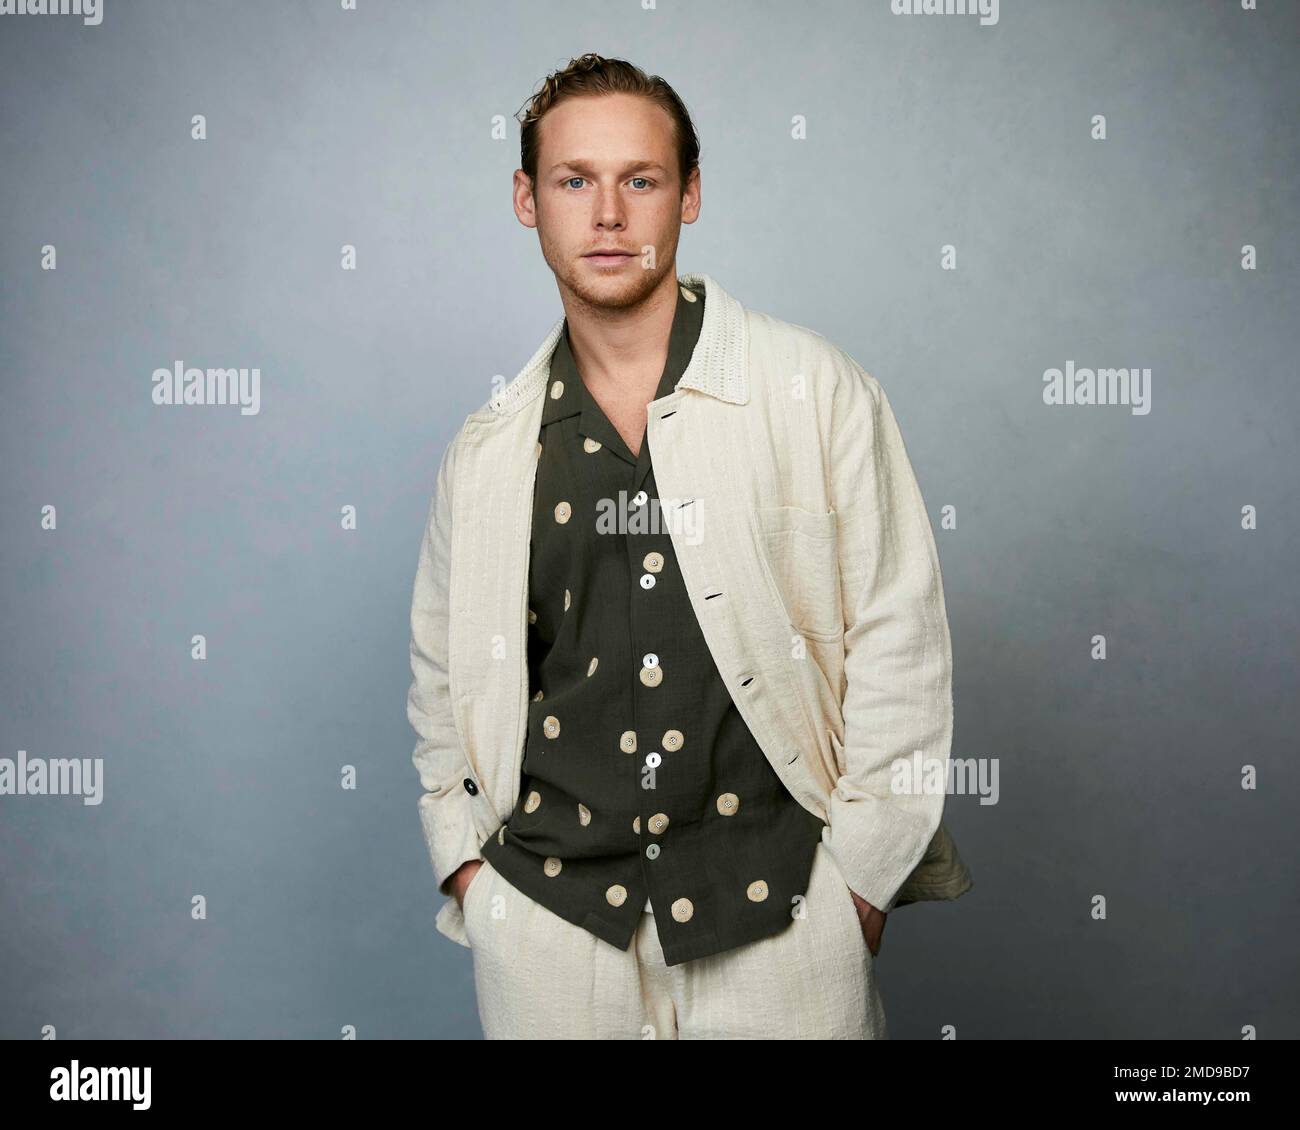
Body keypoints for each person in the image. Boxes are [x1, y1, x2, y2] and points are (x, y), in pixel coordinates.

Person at [406, 52, 972, 1040]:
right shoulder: (487, 448)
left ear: (690, 194)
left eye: (642, 179)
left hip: (785, 916)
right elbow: (440, 670)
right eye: (574, 180)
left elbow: (899, 637)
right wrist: (468, 869)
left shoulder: (816, 390)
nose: (608, 214)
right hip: (549, 924)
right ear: (526, 200)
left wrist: (863, 882)